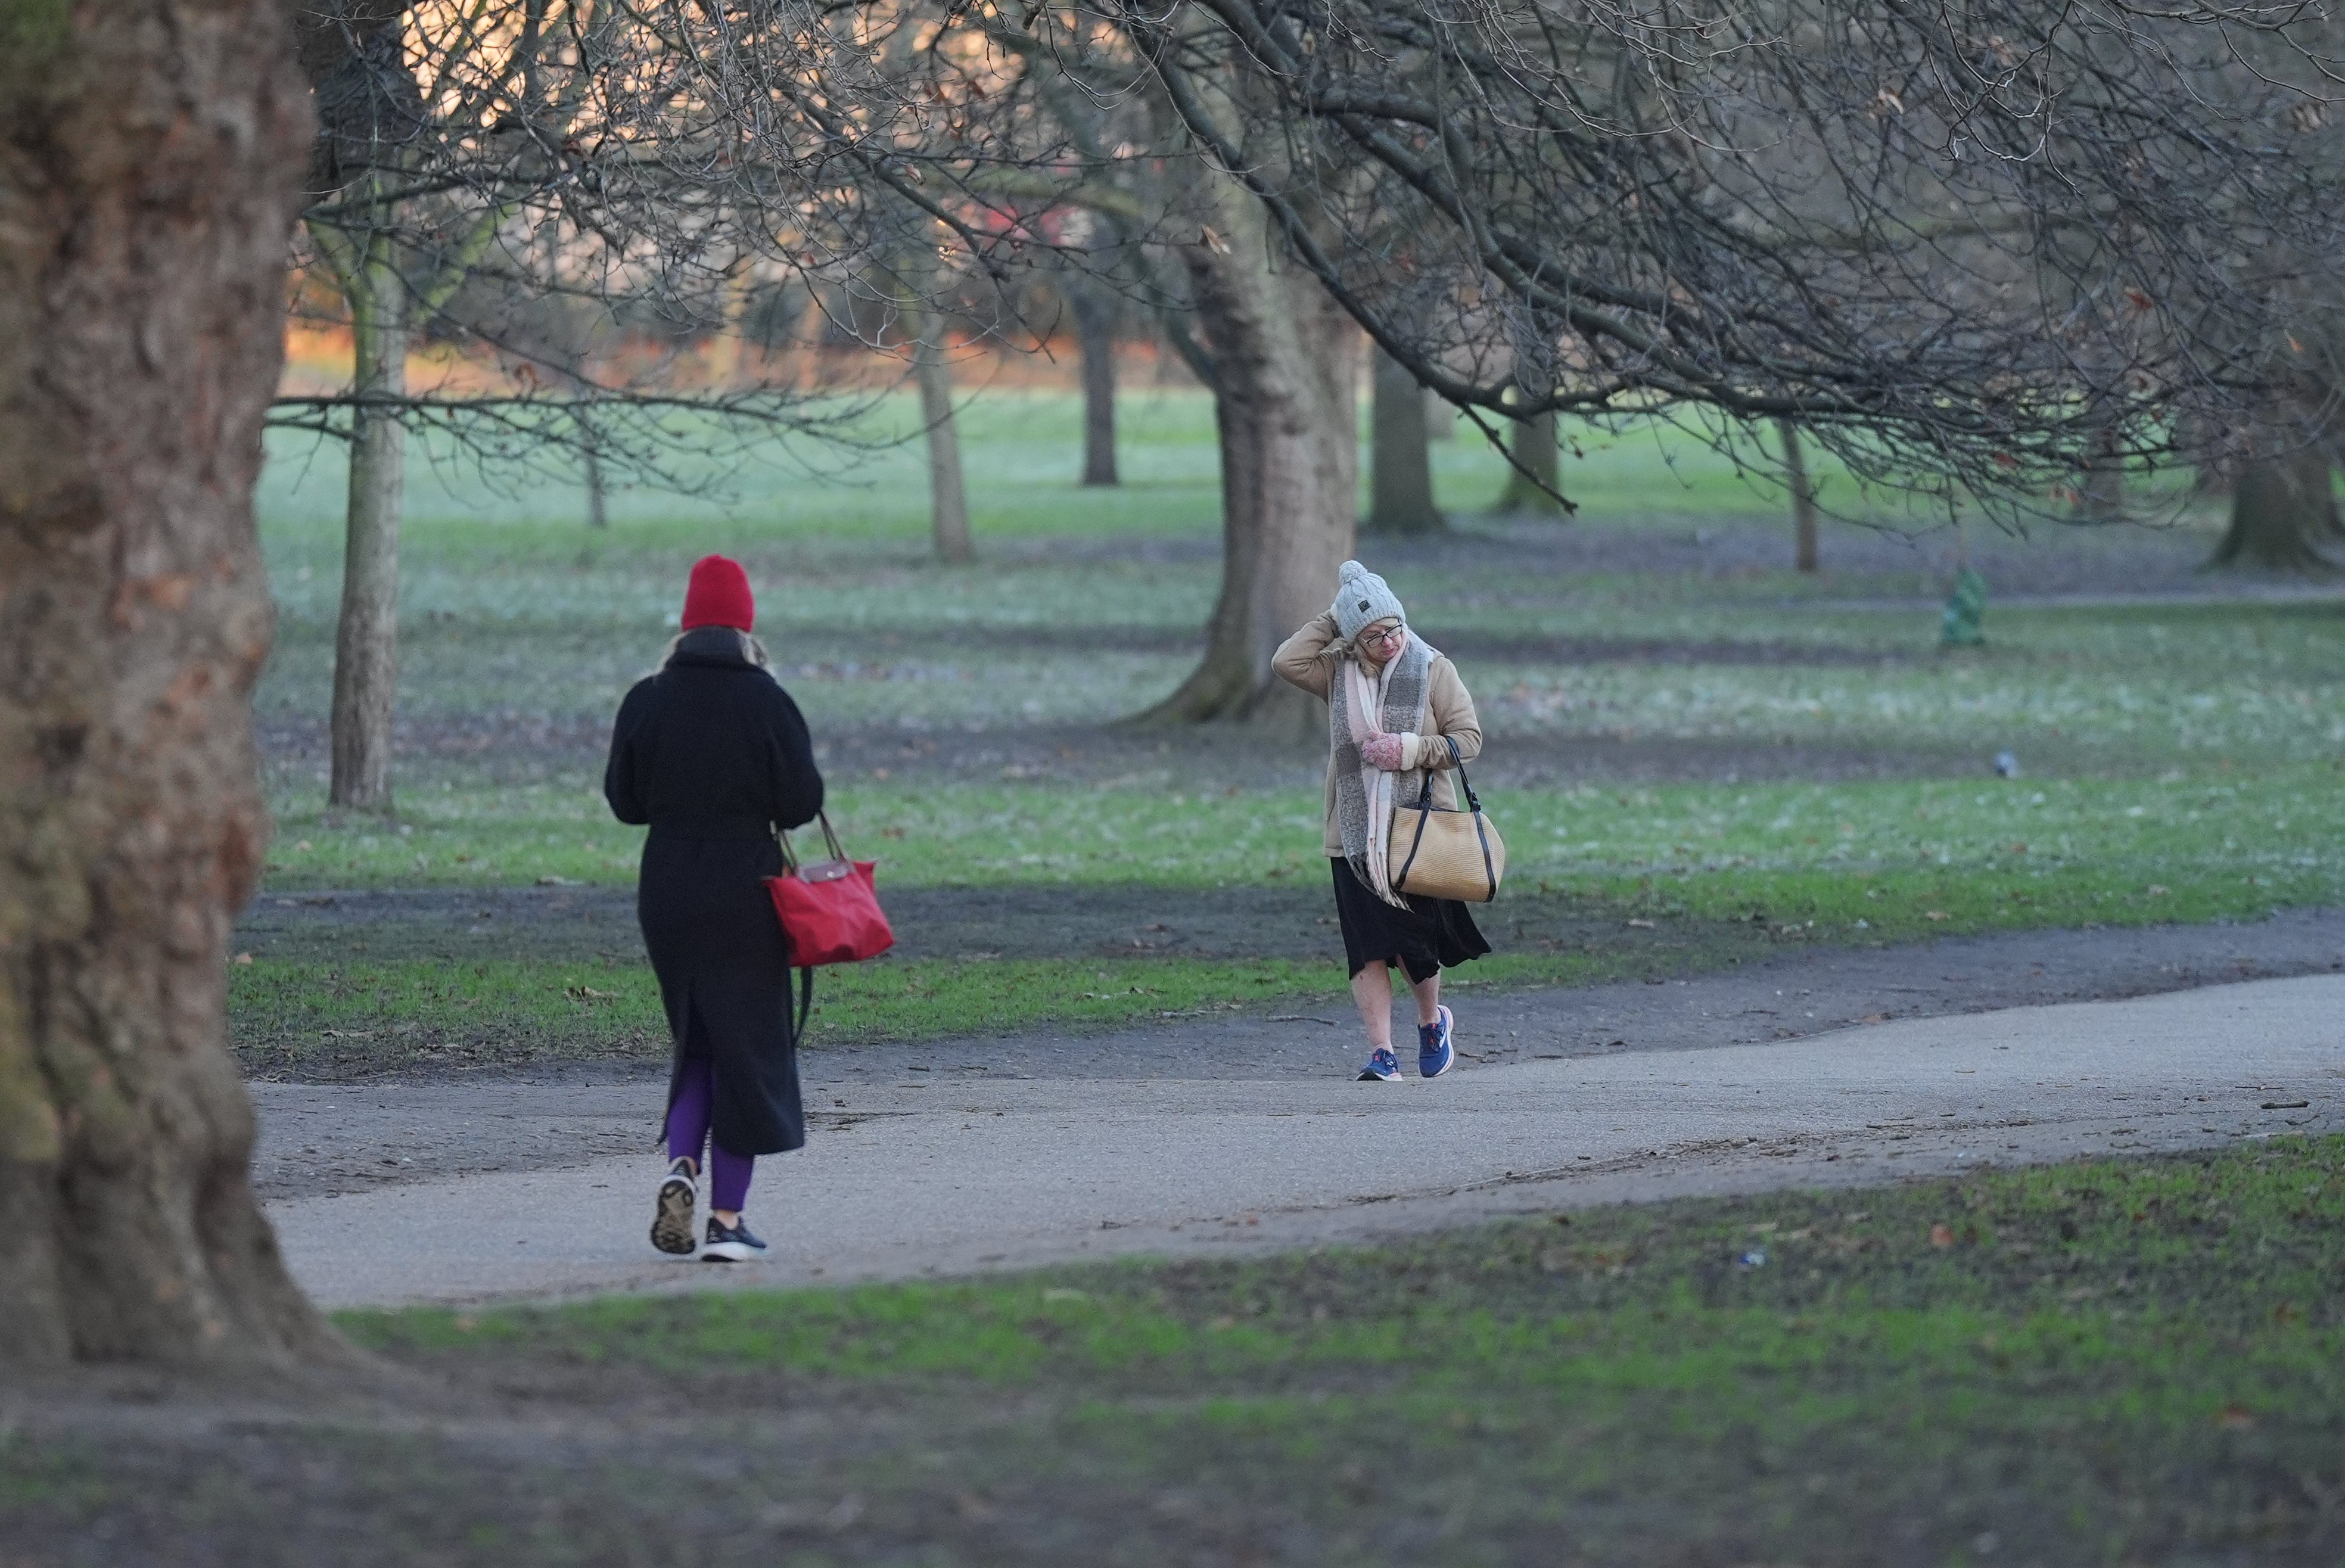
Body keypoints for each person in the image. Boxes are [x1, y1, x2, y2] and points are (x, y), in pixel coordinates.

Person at [605, 554, 824, 1260]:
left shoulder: (647, 698)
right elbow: (801, 803)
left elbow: (625, 803)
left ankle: (682, 1166)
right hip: (747, 889)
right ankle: (727, 1221)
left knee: (696, 1039)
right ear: (746, 627)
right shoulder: (768, 700)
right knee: (749, 1052)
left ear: (686, 625)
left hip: (666, 886)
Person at [1274, 560, 1489, 1081]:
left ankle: (1430, 1022)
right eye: (1373, 636)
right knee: (1367, 947)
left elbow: (1469, 740)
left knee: (1414, 944)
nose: (1388, 642)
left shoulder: (1434, 668)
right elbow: (1286, 661)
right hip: (1350, 834)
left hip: (1418, 829)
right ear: (1354, 638)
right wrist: (1338, 616)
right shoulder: (1336, 672)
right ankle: (1382, 1052)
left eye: (1392, 629)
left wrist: (1412, 749)